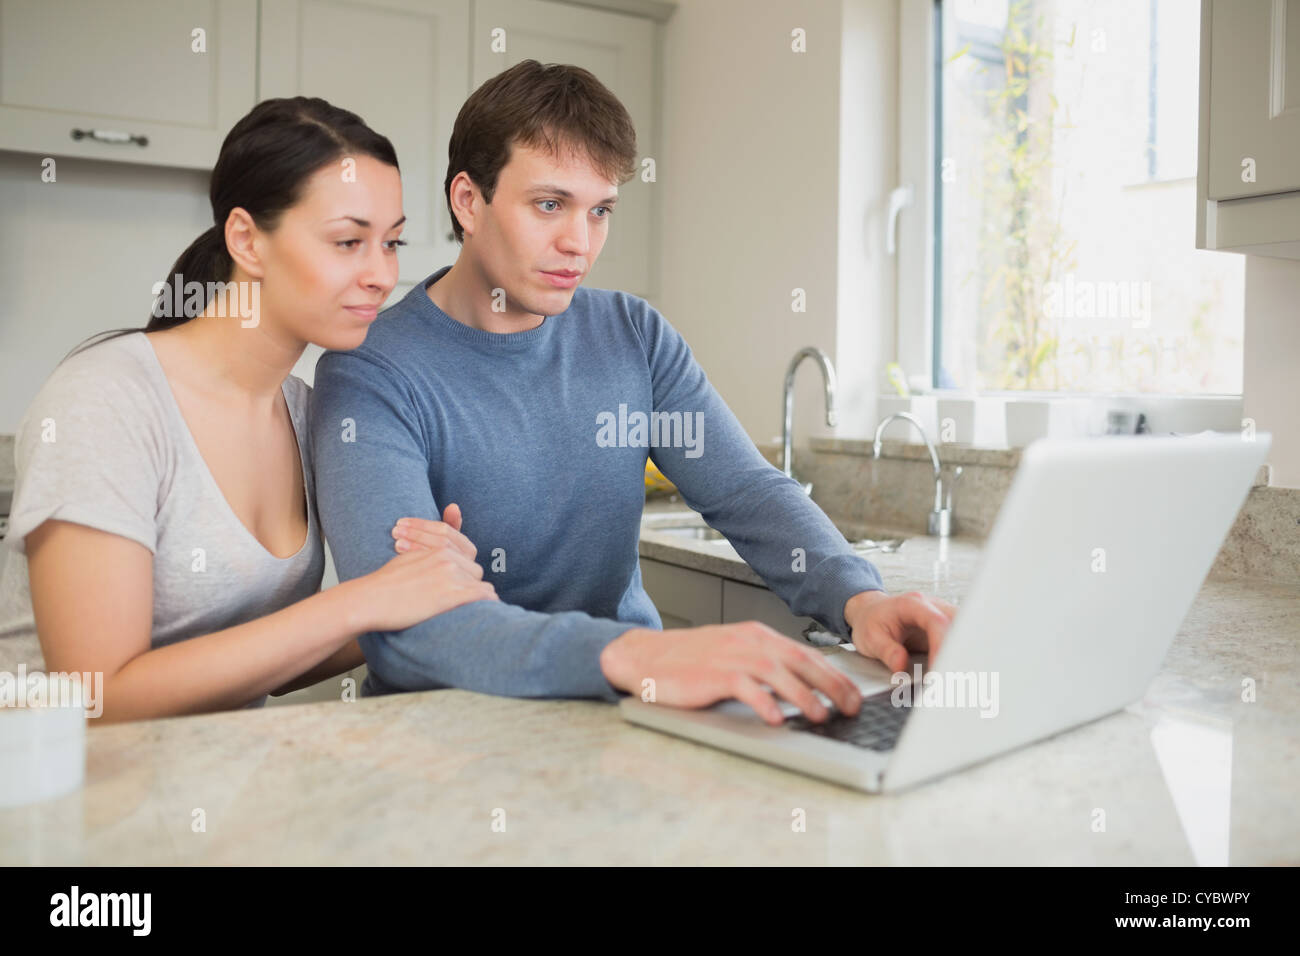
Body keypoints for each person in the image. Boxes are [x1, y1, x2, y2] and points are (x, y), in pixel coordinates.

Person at [309, 61, 958, 727]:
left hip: (628, 714)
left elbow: (747, 492)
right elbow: (410, 629)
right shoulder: (369, 372)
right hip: (455, 730)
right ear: (469, 201)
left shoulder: (633, 334)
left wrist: (860, 600)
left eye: (600, 211)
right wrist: (634, 653)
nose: (579, 243)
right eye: (550, 204)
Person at [0, 97, 494, 723]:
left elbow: (260, 656)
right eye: (348, 241)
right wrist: (361, 602)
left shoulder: (308, 413)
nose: (380, 274)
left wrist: (418, 593)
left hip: (200, 788)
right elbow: (101, 696)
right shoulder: (107, 402)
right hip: (51, 795)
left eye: (391, 243)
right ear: (246, 240)